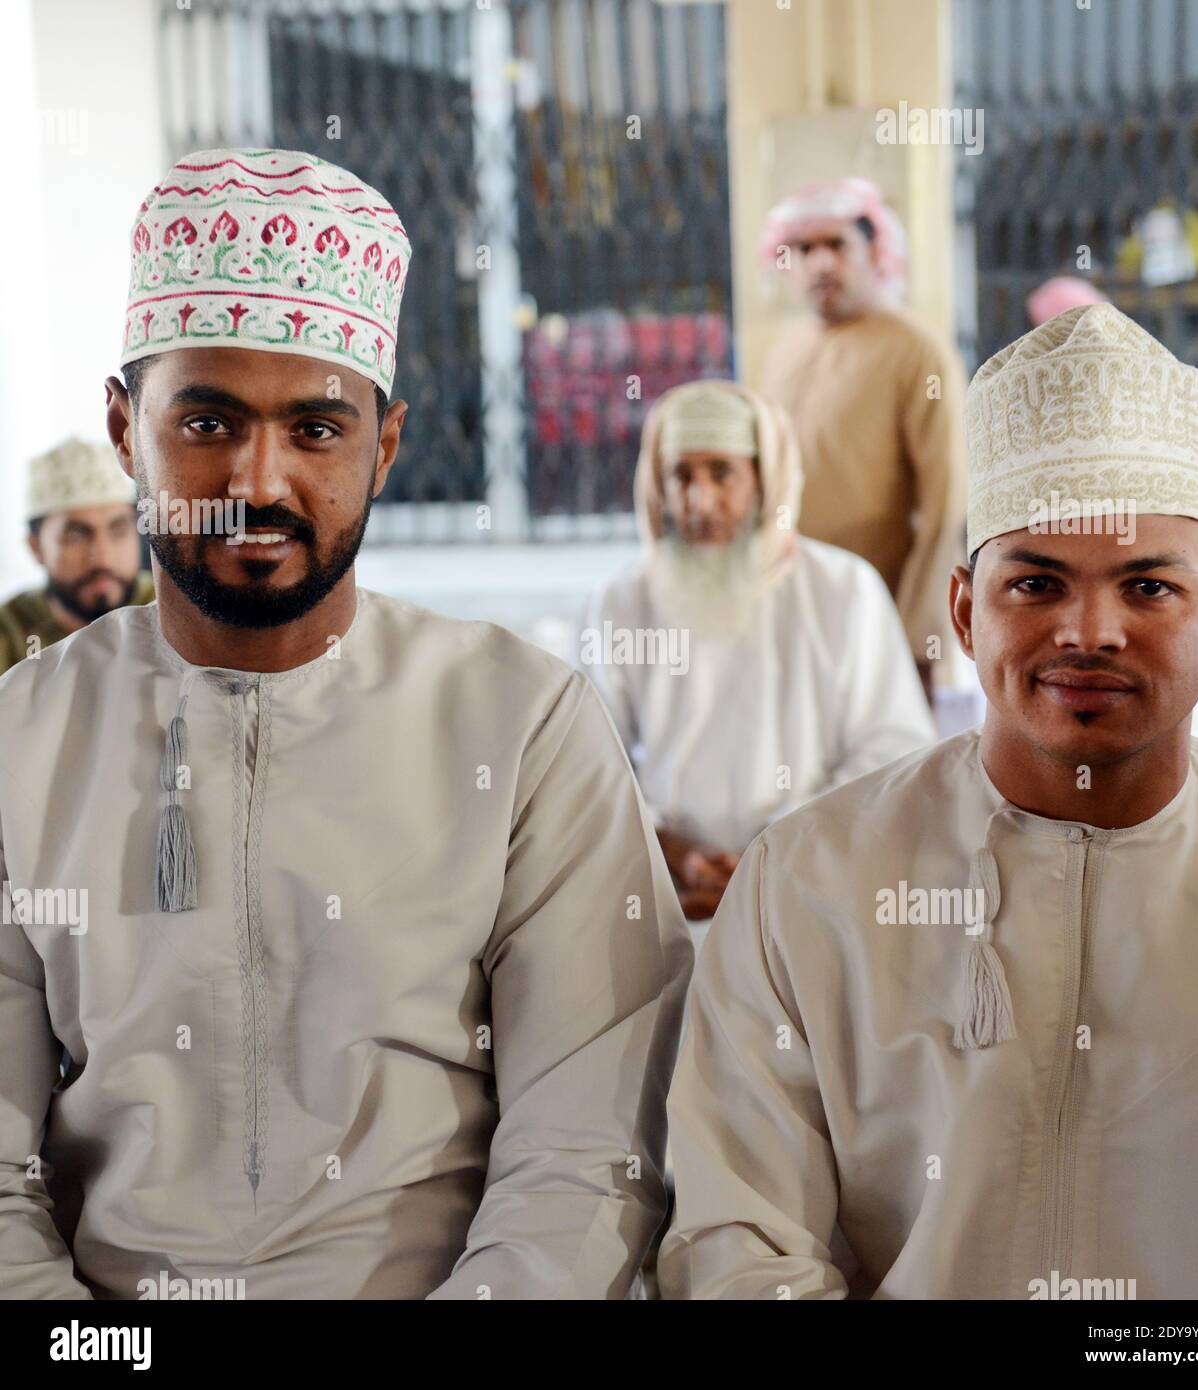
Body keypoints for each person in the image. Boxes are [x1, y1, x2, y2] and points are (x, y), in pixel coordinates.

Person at [0, 147, 690, 1300]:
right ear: (126, 430)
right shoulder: (24, 736)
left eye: (316, 428)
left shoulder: (522, 725)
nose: (258, 478)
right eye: (207, 419)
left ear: (386, 442)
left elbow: (586, 1151)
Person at [659, 304, 1198, 1299]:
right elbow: (736, 1243)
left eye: (1148, 587)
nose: (1088, 631)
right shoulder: (808, 882)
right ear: (961, 610)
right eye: (1034, 583)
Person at [582, 380, 933, 924]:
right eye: (681, 476)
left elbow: (892, 754)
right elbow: (591, 760)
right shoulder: (621, 601)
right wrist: (674, 853)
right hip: (671, 894)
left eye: (722, 473)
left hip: (815, 895)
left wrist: (770, 858)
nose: (699, 501)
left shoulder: (843, 590)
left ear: (764, 479)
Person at [759, 178, 967, 691]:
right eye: (805, 249)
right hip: (793, 617)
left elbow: (946, 505)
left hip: (885, 627)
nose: (821, 263)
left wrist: (917, 630)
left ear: (875, 252)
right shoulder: (785, 351)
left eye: (837, 245)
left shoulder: (917, 350)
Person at [0, 438, 153, 675]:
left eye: (118, 530)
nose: (102, 556)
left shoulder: (172, 612)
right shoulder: (9, 631)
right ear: (36, 548)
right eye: (76, 535)